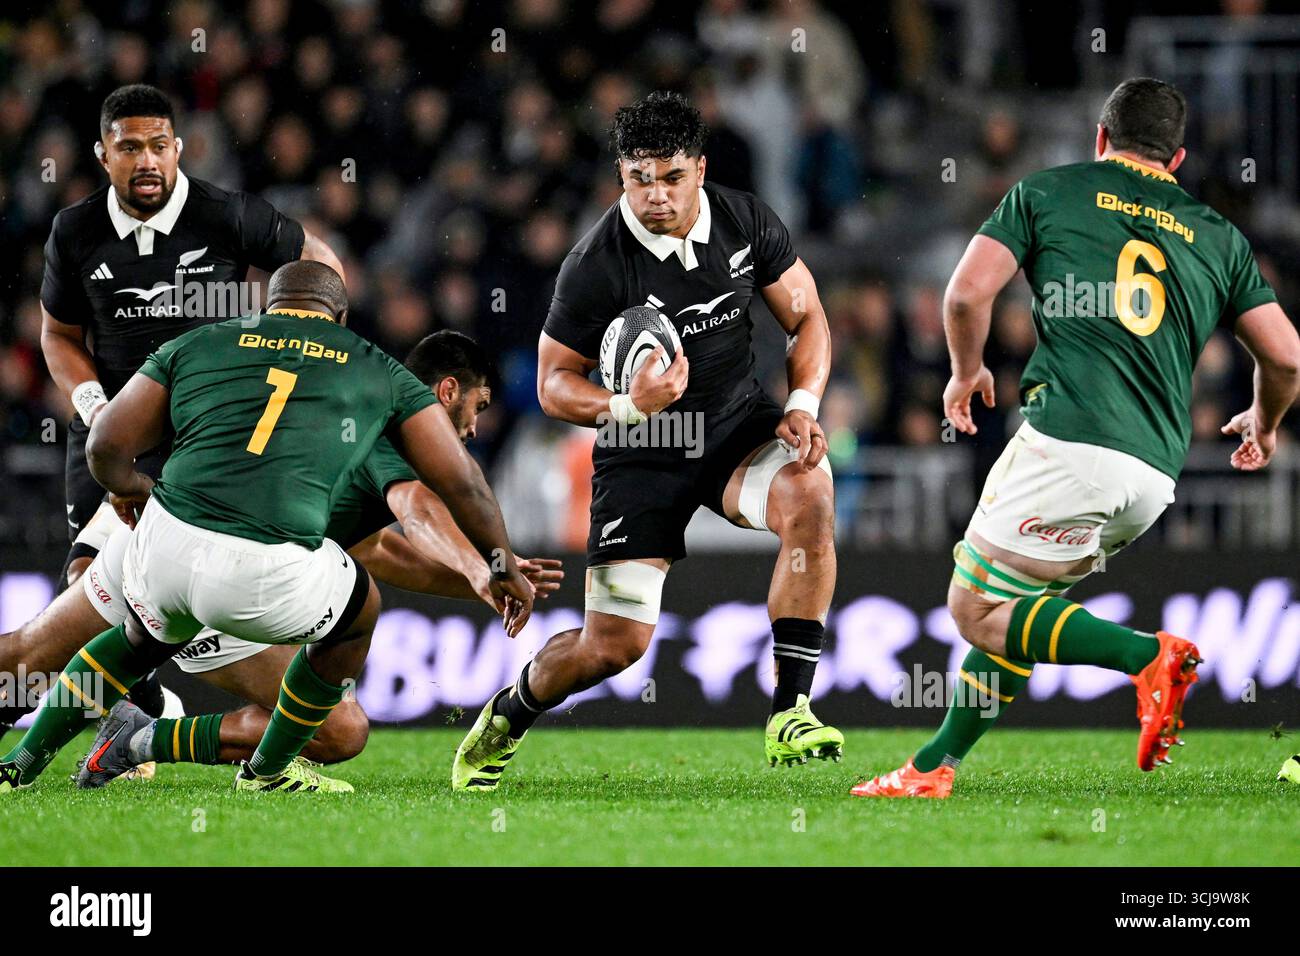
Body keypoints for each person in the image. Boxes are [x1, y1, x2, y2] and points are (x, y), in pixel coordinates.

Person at [854, 78, 1300, 799]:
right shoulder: (1218, 234)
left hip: (1070, 441)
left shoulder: (1049, 191)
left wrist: (965, 372)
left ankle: (1146, 657)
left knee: (975, 610)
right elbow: (1285, 358)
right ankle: (934, 767)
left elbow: (967, 292)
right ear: (1177, 158)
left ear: (1100, 138)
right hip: (1154, 474)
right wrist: (1265, 420)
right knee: (1020, 604)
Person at [1, 262, 532, 794]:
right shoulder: (373, 382)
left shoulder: (205, 340)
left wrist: (126, 486)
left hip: (152, 521)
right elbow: (431, 502)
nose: (477, 425)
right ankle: (225, 761)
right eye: (479, 407)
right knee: (340, 723)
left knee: (44, 653)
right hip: (241, 559)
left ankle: (21, 763)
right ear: (340, 319)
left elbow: (106, 441)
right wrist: (489, 563)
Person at [453, 91, 841, 790]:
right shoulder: (596, 261)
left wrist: (805, 403)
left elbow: (808, 319)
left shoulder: (747, 221)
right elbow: (552, 384)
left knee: (810, 487)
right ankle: (511, 712)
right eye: (639, 179)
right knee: (613, 648)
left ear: (698, 167)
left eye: (670, 177)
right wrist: (629, 403)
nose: (655, 195)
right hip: (640, 452)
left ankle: (791, 710)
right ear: (620, 176)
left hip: (734, 429)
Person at [40, 83, 344, 592]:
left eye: (159, 147)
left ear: (177, 149)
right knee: (85, 583)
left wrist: (298, 356)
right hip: (113, 433)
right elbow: (57, 336)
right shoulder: (74, 231)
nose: (147, 162)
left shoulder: (225, 214)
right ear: (103, 155)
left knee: (198, 591)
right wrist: (99, 410)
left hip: (205, 432)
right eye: (129, 148)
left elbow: (321, 264)